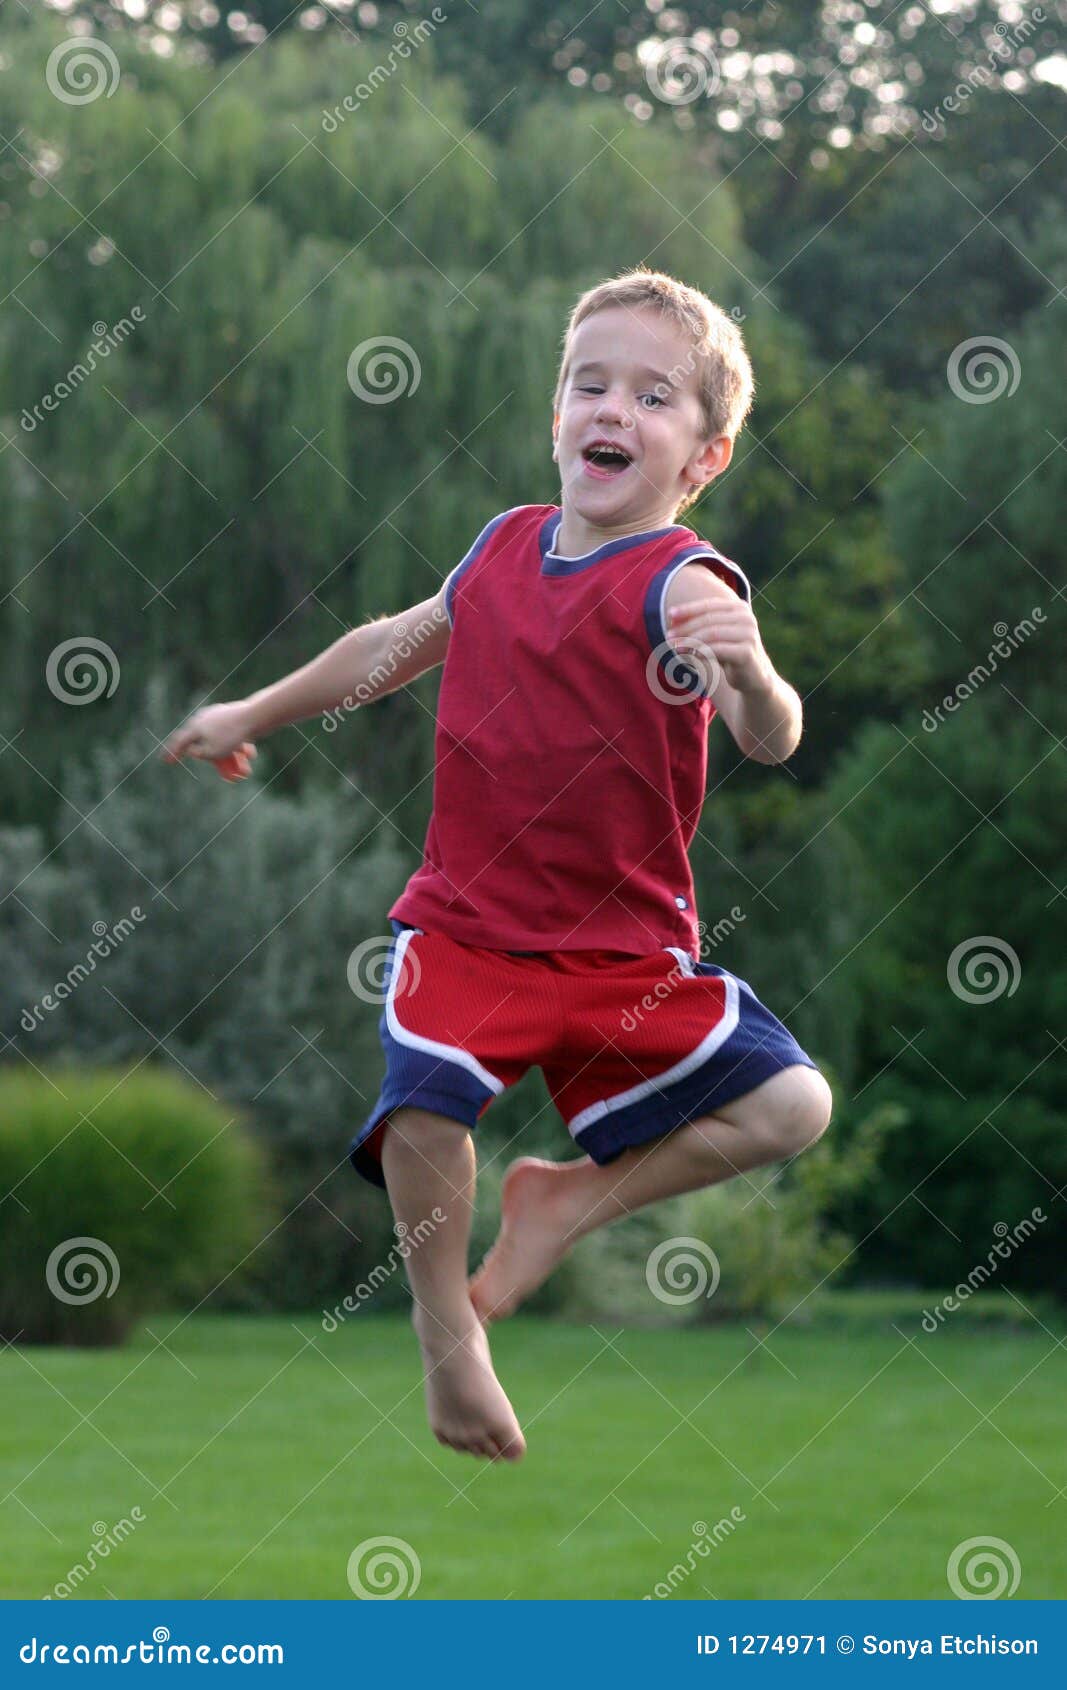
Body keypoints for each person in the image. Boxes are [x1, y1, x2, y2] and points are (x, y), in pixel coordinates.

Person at [162, 267, 833, 1466]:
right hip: (468, 929)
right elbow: (393, 645)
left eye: (652, 396)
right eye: (589, 385)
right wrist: (254, 708)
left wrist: (747, 671)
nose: (610, 411)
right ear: (556, 414)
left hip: (623, 951)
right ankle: (445, 1340)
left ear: (703, 457)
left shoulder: (685, 580)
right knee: (424, 1111)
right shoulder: (500, 549)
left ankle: (570, 1197)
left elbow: (768, 737)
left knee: (792, 1104)